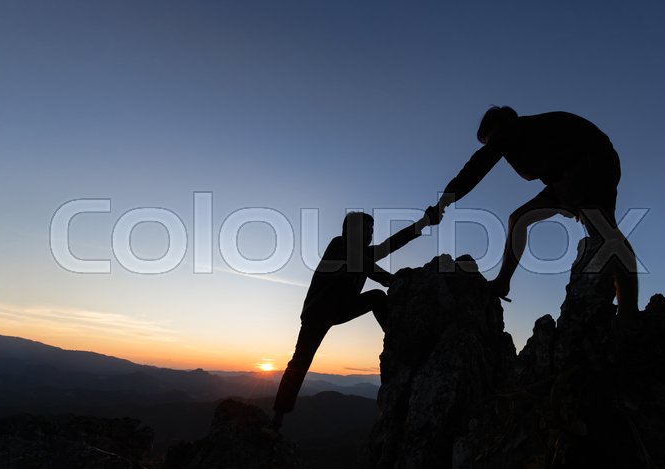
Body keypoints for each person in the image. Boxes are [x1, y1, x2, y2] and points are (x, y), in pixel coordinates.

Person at [425, 106, 638, 313]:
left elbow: (476, 167)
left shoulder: (511, 130)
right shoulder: (525, 134)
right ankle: (502, 282)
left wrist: (444, 202)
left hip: (592, 165)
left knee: (605, 233)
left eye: (490, 141)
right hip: (564, 180)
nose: (493, 147)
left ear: (498, 127)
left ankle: (628, 309)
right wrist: (570, 199)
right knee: (519, 218)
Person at [268, 212, 427, 432]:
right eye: (365, 229)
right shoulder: (339, 244)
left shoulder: (364, 254)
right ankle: (278, 417)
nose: (370, 234)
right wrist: (390, 279)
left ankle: (395, 340)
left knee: (377, 298)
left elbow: (392, 244)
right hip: (317, 312)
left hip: (341, 308)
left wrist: (423, 223)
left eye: (371, 230)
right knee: (301, 360)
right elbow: (363, 264)